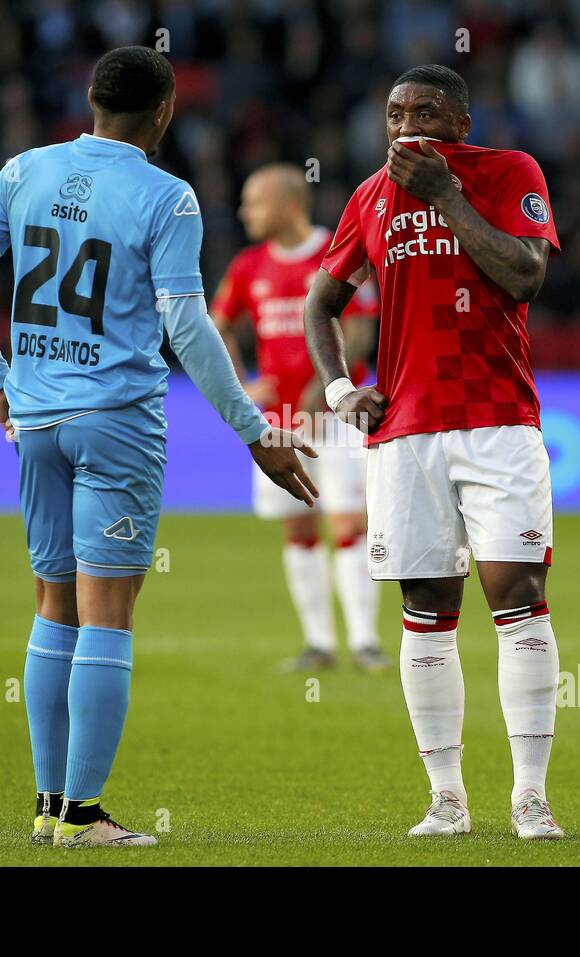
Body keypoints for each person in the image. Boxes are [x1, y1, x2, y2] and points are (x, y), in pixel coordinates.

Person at [0, 46, 317, 848]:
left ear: (91, 100)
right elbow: (185, 324)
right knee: (108, 611)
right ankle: (83, 814)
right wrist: (255, 432)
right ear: (166, 111)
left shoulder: (24, 171)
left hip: (34, 422)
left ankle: (48, 805)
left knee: (52, 603)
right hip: (116, 422)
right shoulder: (168, 197)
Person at [304, 64, 565, 840]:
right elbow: (323, 301)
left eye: (424, 110)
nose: (405, 124)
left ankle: (530, 796)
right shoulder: (367, 198)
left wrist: (448, 195)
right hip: (405, 432)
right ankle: (447, 798)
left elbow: (525, 275)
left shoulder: (508, 172)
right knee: (426, 611)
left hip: (497, 420)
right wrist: (338, 387)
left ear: (461, 121)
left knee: (516, 595)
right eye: (392, 113)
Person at [213, 163, 387, 672]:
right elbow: (217, 325)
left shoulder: (337, 251)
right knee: (299, 528)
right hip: (277, 422)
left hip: (338, 418)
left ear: (288, 205)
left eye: (255, 201)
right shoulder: (248, 267)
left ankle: (364, 642)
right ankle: (318, 645)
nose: (246, 212)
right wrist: (241, 385)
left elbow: (357, 331)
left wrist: (320, 395)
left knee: (349, 523)